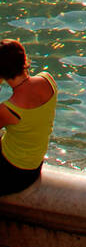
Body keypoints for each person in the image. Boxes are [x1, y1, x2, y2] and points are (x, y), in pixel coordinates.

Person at [0, 39, 58, 195]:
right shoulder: (48, 80)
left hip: (13, 175)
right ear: (24, 60)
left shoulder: (8, 109)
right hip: (34, 166)